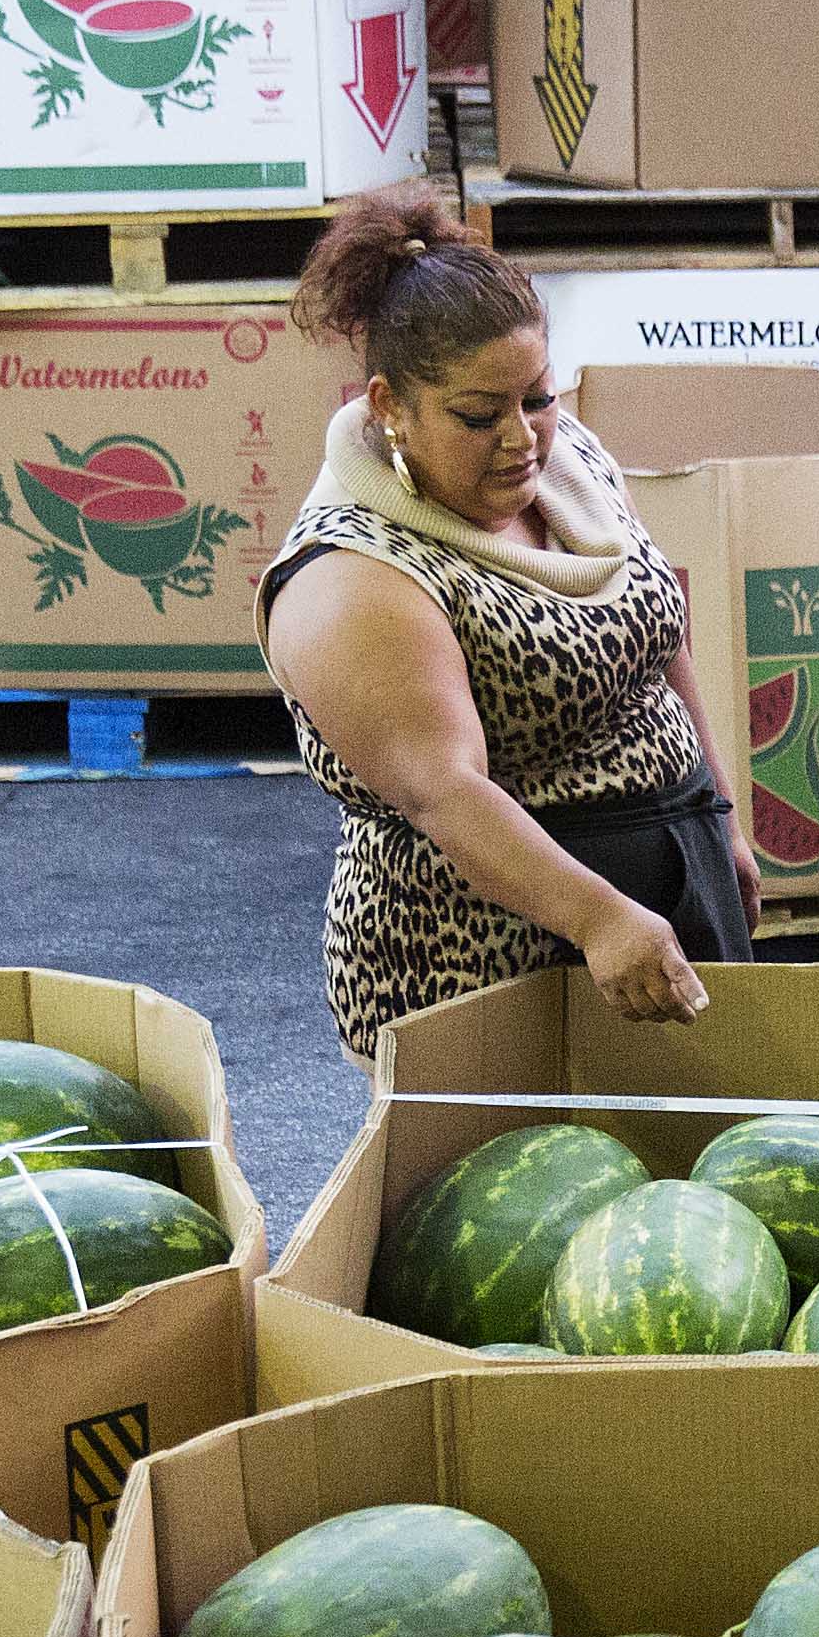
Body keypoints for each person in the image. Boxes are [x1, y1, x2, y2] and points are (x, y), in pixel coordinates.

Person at [261, 188, 750, 1054]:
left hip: (666, 888)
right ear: (389, 405)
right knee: (529, 1186)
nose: (522, 437)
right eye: (479, 415)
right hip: (487, 950)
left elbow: (661, 634)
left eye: (538, 397)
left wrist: (719, 818)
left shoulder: (573, 465)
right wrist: (601, 920)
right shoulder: (351, 577)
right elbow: (445, 794)